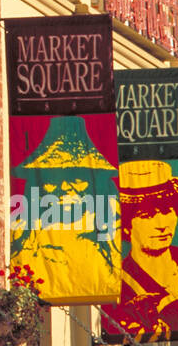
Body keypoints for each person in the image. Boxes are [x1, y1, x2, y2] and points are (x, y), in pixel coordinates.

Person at [10, 115, 121, 301]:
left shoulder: (108, 252)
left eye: (76, 179)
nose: (65, 188)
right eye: (53, 179)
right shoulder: (24, 243)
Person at [103, 160, 178, 341]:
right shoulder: (118, 283)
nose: (162, 225)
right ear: (125, 226)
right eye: (147, 215)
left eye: (167, 210)